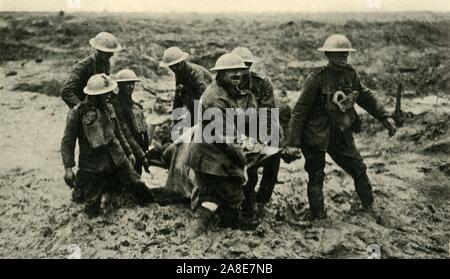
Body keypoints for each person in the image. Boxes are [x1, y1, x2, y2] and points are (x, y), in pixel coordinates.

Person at [286, 34, 397, 220]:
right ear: (328, 54)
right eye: (338, 53)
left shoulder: (351, 74)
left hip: (340, 133)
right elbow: (300, 111)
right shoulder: (316, 78)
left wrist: (384, 116)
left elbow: (364, 96)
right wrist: (293, 143)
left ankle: (369, 207)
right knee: (316, 175)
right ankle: (318, 216)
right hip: (315, 134)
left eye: (346, 52)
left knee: (359, 168)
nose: (344, 56)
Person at [185, 53, 258, 237]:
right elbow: (226, 140)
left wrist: (241, 139)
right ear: (220, 73)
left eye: (239, 71)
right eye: (231, 72)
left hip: (208, 154)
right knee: (235, 197)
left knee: (211, 198)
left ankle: (197, 229)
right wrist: (244, 164)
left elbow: (228, 128)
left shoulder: (225, 90)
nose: (237, 75)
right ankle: (226, 224)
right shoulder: (216, 99)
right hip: (212, 157)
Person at [61, 74, 153, 217]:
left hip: (117, 158)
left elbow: (119, 132)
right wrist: (68, 168)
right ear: (94, 96)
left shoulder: (109, 107)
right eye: (105, 94)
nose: (109, 96)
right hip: (93, 165)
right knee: (91, 206)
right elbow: (68, 141)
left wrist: (129, 152)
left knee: (138, 186)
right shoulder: (77, 113)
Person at [231, 47, 281, 218]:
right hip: (240, 130)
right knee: (246, 169)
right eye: (239, 66)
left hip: (265, 128)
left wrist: (261, 141)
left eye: (247, 66)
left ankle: (262, 201)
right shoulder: (227, 84)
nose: (243, 71)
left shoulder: (261, 83)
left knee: (272, 162)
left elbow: (268, 113)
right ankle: (247, 200)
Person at [61, 32, 122, 108]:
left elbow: (105, 87)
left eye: (112, 52)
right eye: (108, 53)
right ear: (100, 51)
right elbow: (66, 91)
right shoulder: (83, 67)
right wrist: (82, 108)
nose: (112, 55)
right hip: (86, 109)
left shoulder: (105, 63)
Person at [159, 47, 212, 126]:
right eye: (171, 66)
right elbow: (178, 97)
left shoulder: (197, 74)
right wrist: (175, 119)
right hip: (195, 109)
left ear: (182, 62)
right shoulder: (180, 73)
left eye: (176, 65)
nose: (174, 68)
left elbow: (204, 100)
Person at [111, 69, 151, 175]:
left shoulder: (135, 105)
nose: (131, 87)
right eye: (127, 84)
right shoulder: (116, 105)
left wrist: (144, 150)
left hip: (137, 148)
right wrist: (140, 153)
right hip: (126, 149)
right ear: (120, 85)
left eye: (132, 83)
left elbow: (143, 130)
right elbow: (125, 132)